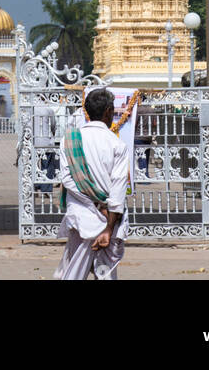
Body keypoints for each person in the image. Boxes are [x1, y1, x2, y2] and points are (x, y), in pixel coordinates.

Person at [54, 87, 129, 281]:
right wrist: (109, 226)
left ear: (86, 111)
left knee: (75, 270)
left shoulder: (68, 141)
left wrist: (94, 205)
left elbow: (68, 180)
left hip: (81, 217)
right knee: (105, 273)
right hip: (108, 220)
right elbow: (118, 187)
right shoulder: (117, 144)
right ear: (108, 112)